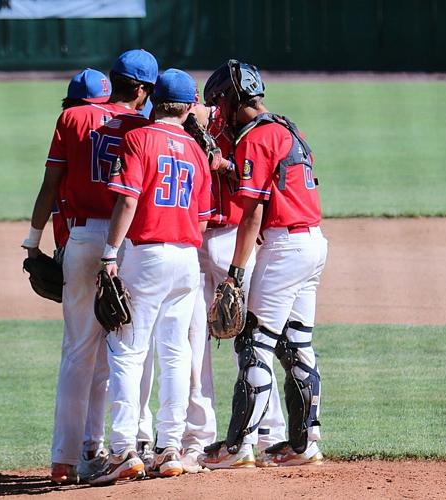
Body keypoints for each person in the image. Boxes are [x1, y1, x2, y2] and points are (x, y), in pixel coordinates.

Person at [20, 51, 158, 484]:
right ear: (139, 89)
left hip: (80, 241)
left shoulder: (73, 119)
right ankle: (133, 444)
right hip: (127, 242)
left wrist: (32, 239)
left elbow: (50, 184)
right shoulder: (144, 126)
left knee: (78, 351)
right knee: (128, 348)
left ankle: (68, 459)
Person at [200, 60, 328, 469]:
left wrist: (236, 274)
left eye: (220, 101)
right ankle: (305, 443)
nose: (217, 110)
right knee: (297, 346)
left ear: (234, 99)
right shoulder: (287, 127)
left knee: (254, 345)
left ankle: (238, 446)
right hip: (313, 243)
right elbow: (272, 181)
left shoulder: (254, 137)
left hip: (283, 247)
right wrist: (228, 167)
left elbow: (252, 212)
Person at [90, 69, 212, 485]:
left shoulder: (139, 139)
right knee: (176, 353)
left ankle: (124, 448)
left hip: (147, 254)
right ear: (187, 105)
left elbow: (127, 201)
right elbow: (202, 215)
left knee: (127, 351)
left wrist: (109, 254)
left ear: (153, 100)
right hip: (186, 260)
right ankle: (171, 448)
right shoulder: (197, 150)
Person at [180, 103, 288, 472]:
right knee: (194, 344)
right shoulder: (173, 127)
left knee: (249, 341)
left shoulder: (237, 126)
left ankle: (269, 433)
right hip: (193, 238)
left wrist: (219, 157)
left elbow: (255, 175)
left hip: (232, 238)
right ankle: (197, 438)